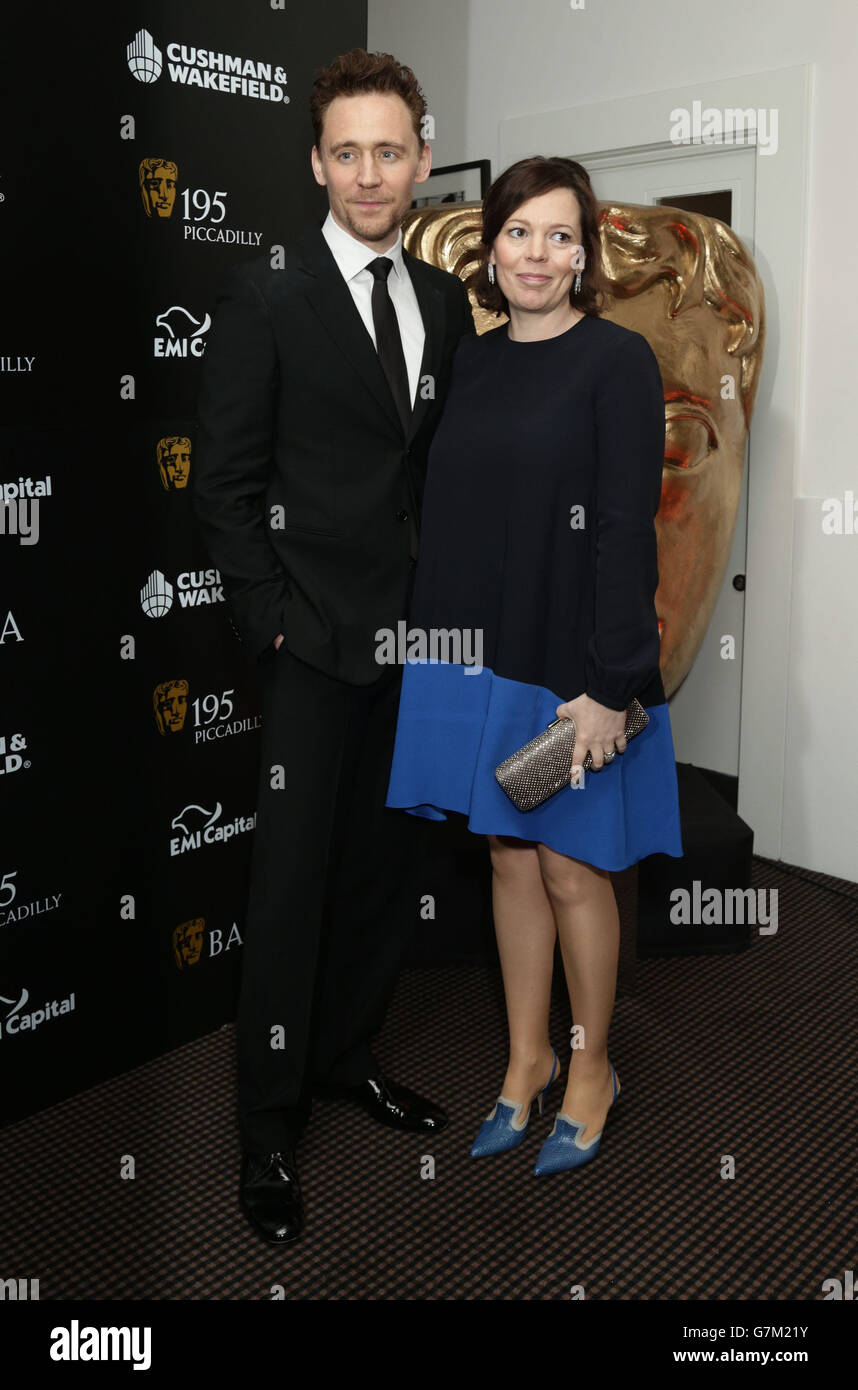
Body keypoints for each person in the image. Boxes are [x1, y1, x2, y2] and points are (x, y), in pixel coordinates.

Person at [192, 48, 476, 1244]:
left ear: (420, 156)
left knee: (382, 878)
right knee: (291, 885)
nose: (371, 172)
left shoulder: (445, 300)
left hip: (415, 647)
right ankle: (268, 1126)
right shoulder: (268, 298)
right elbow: (223, 486)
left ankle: (347, 1055)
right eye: (347, 152)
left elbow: (435, 471)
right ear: (316, 162)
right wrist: (273, 617)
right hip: (311, 647)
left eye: (391, 149)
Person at [385, 156, 684, 1175]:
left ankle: (591, 1063)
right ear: (491, 243)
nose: (539, 254)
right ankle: (523, 1062)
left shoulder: (617, 361)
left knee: (568, 864)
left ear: (585, 253)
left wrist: (612, 682)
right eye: (521, 231)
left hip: (571, 666)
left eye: (561, 235)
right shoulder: (466, 360)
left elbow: (625, 530)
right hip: (474, 656)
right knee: (507, 855)